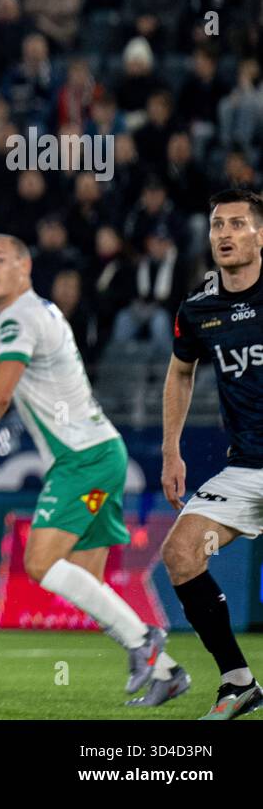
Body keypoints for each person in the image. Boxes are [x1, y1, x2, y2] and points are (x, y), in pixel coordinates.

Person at [0, 234, 185, 708]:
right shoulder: (39, 312)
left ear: (24, 266)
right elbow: (7, 364)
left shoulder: (20, 316)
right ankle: (166, 671)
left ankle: (144, 640)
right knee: (85, 582)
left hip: (83, 460)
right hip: (103, 453)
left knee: (38, 562)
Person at [161, 189, 263, 719]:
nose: (225, 234)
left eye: (238, 224)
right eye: (217, 224)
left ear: (260, 235)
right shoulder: (199, 309)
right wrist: (171, 449)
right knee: (180, 554)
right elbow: (181, 371)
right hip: (246, 467)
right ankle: (238, 682)